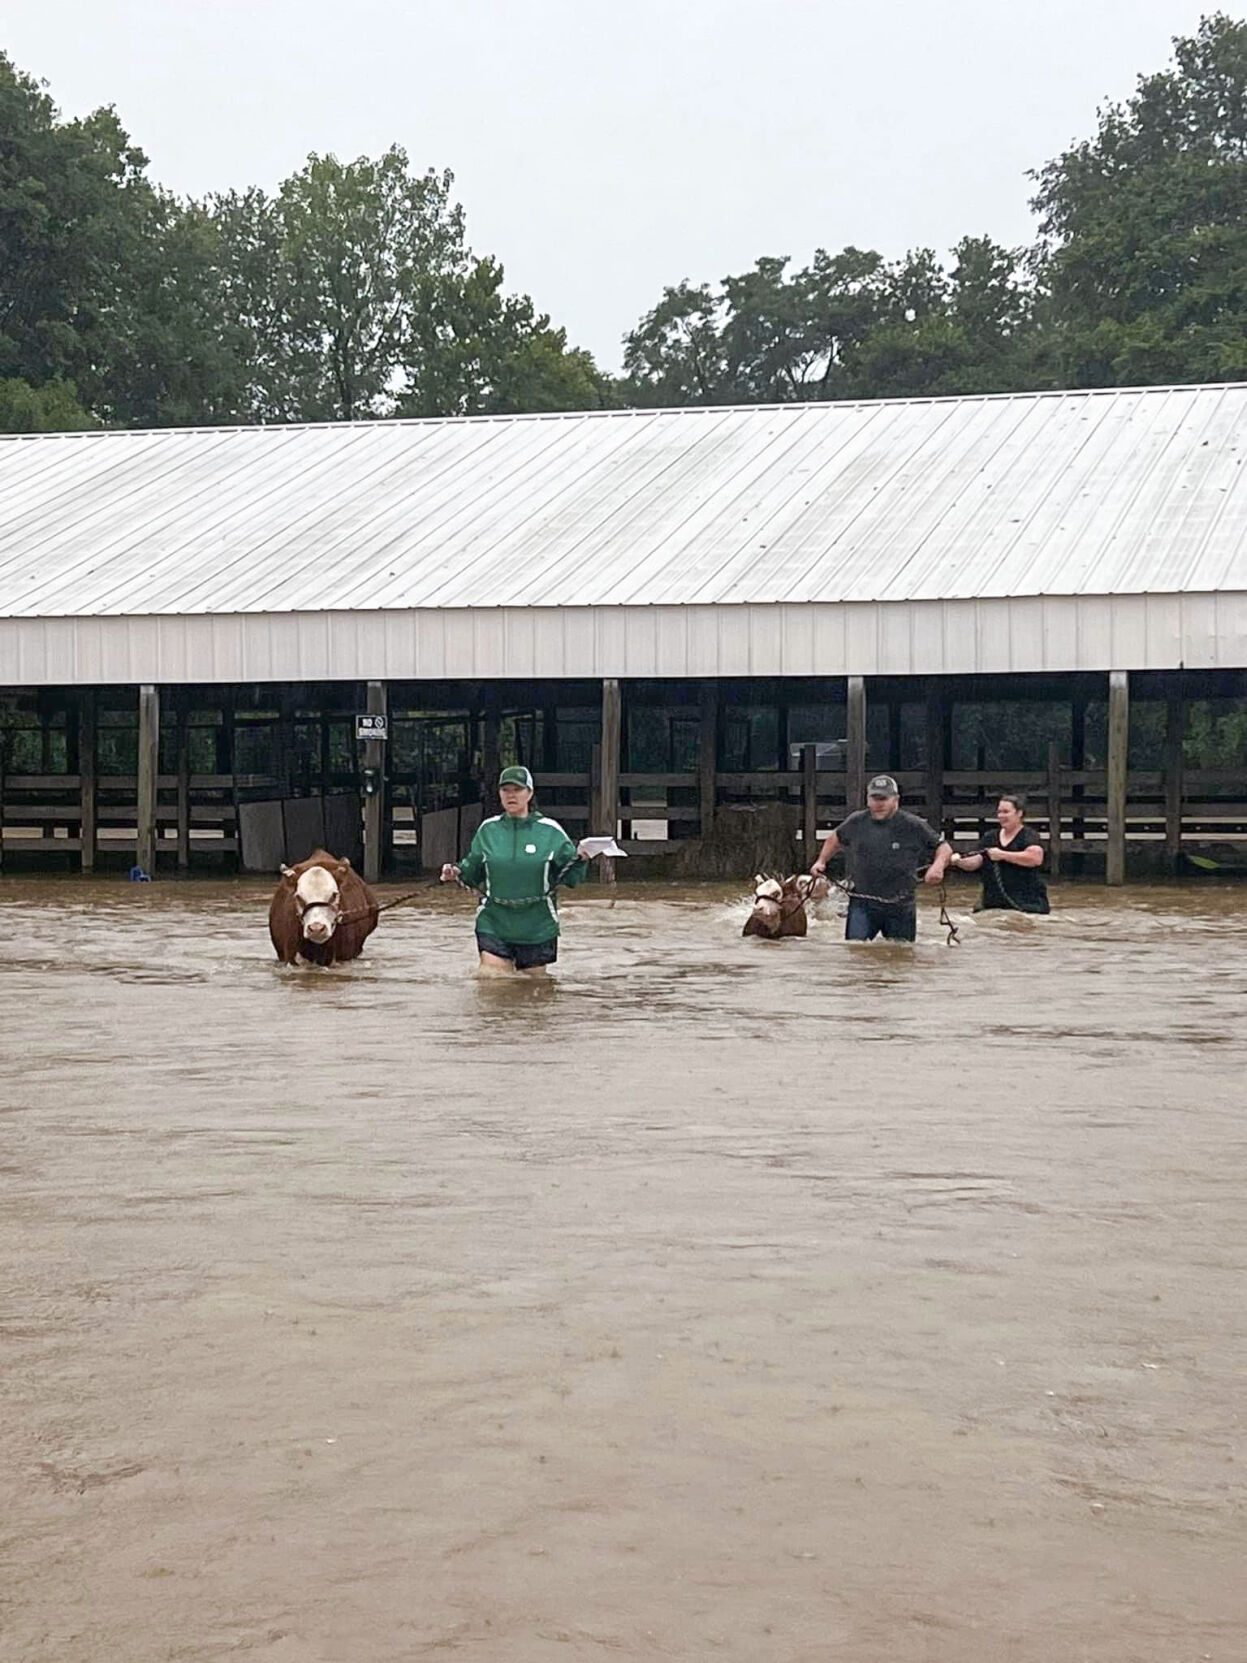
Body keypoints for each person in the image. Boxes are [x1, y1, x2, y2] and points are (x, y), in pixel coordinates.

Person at [441, 765, 591, 973]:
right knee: (491, 979)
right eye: (506, 790)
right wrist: (456, 871)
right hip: (494, 921)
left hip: (537, 926)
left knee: (533, 987)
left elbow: (571, 877)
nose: (511, 795)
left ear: (529, 793)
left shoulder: (551, 831)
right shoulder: (488, 829)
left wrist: (582, 858)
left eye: (517, 790)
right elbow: (472, 868)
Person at [810, 774, 952, 942]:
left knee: (901, 953)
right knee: (856, 949)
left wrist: (937, 867)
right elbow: (835, 838)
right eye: (874, 798)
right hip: (862, 902)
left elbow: (944, 848)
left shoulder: (913, 825)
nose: (879, 804)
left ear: (896, 800)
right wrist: (821, 861)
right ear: (867, 800)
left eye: (884, 799)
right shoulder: (856, 821)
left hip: (900, 905)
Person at [950, 794, 1050, 914]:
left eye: (1006, 812)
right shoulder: (990, 837)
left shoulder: (1029, 835)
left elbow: (1035, 858)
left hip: (1027, 904)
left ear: (1019, 813)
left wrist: (1002, 855)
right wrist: (959, 861)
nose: (1001, 816)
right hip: (993, 904)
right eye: (999, 812)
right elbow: (976, 861)